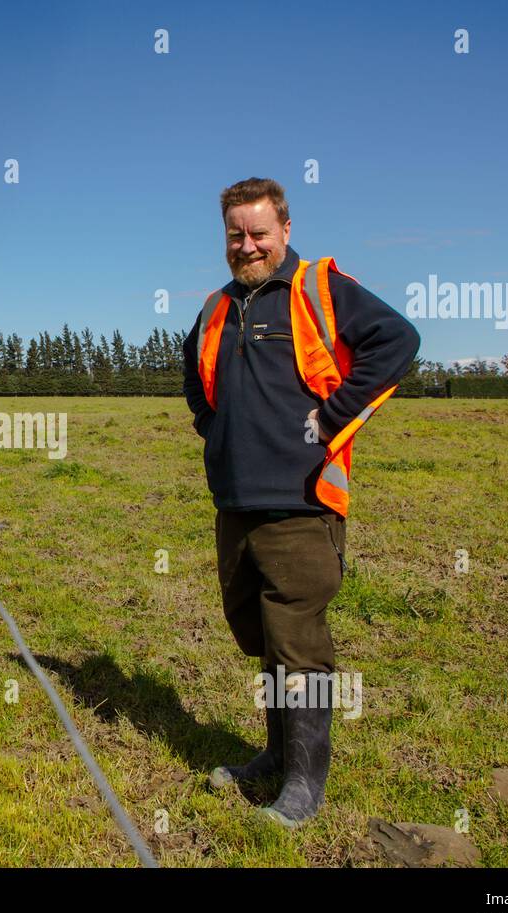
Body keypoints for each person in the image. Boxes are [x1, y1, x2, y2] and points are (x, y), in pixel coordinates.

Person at [182, 177, 420, 827]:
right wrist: (223, 438)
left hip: (301, 503)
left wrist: (335, 413)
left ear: (286, 229)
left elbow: (397, 342)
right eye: (236, 234)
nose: (248, 244)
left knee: (299, 645)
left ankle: (304, 784)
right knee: (259, 636)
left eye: (259, 232)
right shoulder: (214, 309)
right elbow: (195, 385)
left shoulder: (317, 288)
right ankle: (276, 751)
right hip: (234, 503)